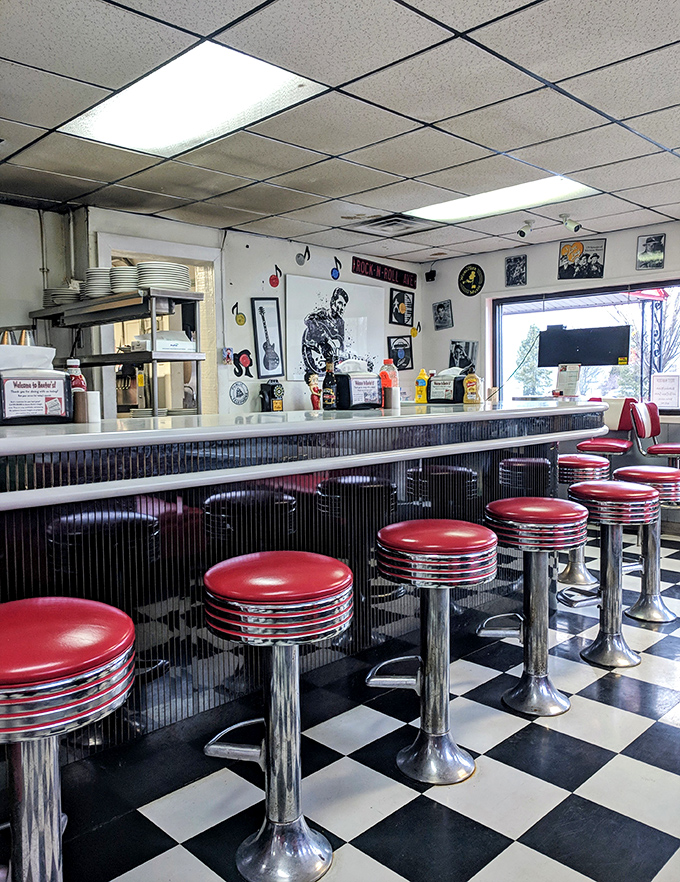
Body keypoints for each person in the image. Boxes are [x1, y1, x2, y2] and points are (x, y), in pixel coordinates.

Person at [301, 286, 348, 374]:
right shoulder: (323, 314)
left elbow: (340, 344)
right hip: (314, 353)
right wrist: (322, 343)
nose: (342, 307)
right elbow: (307, 320)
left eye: (344, 305)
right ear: (333, 302)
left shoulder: (341, 323)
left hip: (328, 363)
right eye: (340, 303)